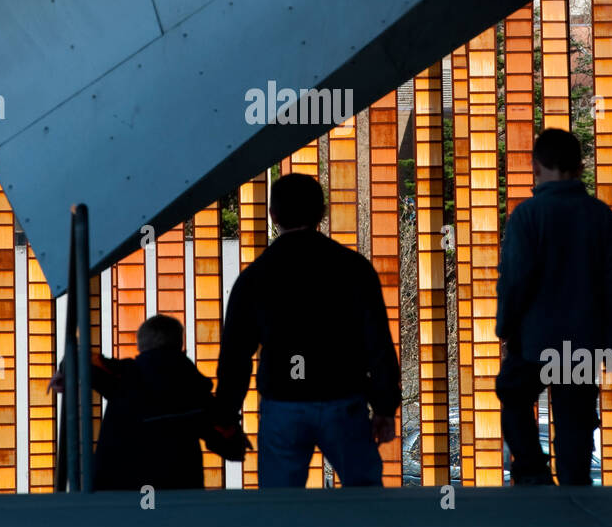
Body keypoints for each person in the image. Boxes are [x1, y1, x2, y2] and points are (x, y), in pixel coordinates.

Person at [216, 172, 400, 487]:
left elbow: (236, 355)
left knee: (280, 509)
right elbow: (377, 342)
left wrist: (225, 418)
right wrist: (384, 406)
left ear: (273, 215)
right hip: (343, 398)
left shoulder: (256, 276)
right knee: (366, 500)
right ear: (322, 213)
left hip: (283, 403)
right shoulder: (353, 268)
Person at [495, 128, 612, 486]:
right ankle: (575, 495)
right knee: (575, 422)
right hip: (582, 343)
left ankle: (533, 470)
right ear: (580, 166)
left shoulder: (527, 216)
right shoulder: (602, 218)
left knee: (513, 394)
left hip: (534, 340)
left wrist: (505, 326)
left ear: (536, 166)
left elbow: (515, 280)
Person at [50, 314, 248, 490]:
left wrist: (63, 372)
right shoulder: (197, 393)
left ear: (140, 345)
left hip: (122, 488)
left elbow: (79, 359)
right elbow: (232, 447)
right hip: (177, 490)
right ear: (179, 343)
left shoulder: (124, 376)